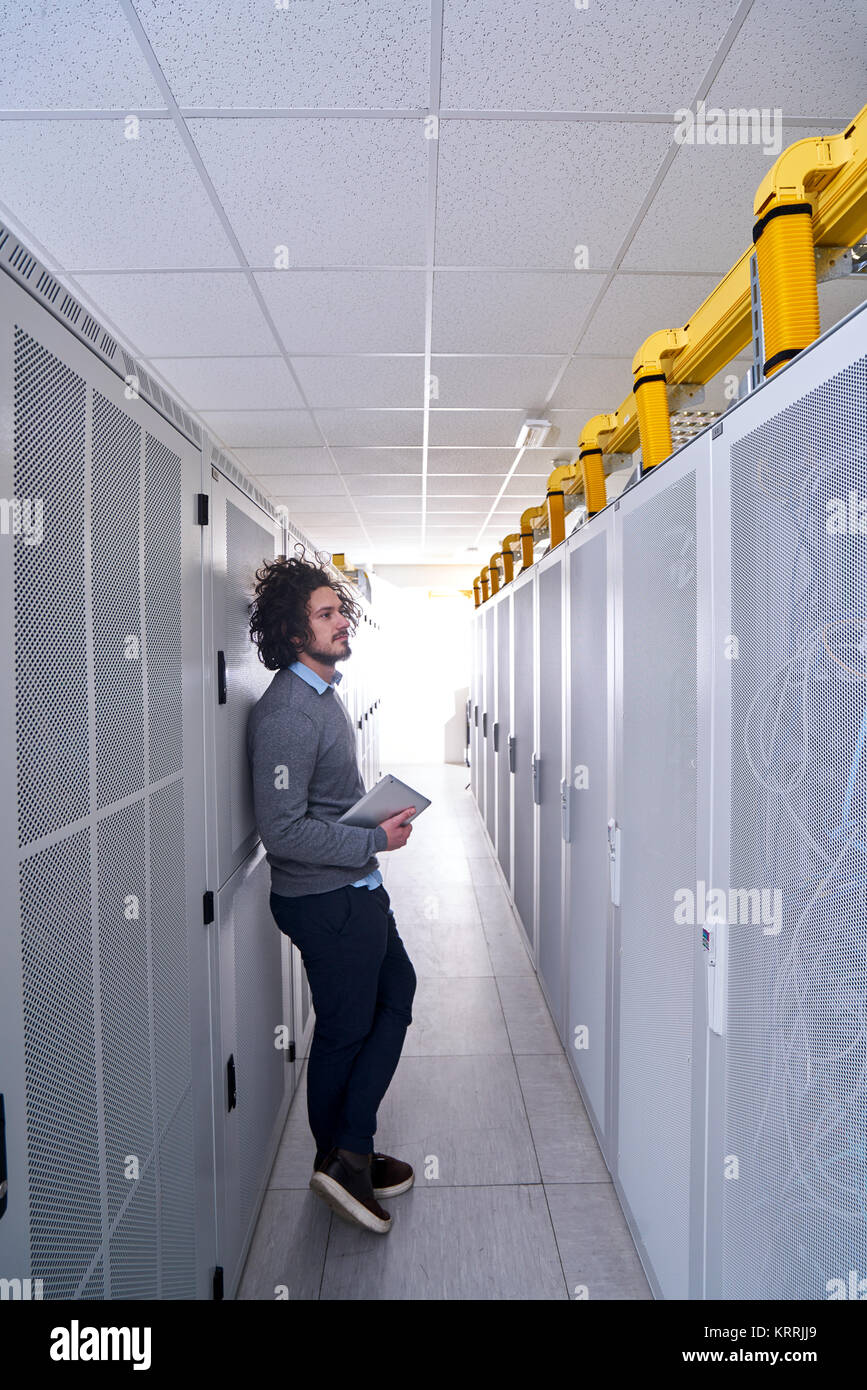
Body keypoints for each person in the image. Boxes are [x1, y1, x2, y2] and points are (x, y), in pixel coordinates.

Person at [245, 548, 417, 1235]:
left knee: (392, 998)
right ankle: (341, 1160)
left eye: (340, 609)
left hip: (353, 887)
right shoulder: (288, 712)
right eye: (326, 613)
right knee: (349, 1027)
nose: (342, 620)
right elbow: (282, 831)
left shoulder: (321, 694)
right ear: (293, 632)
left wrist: (369, 825)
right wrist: (374, 840)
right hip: (328, 901)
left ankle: (351, 1147)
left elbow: (315, 807)